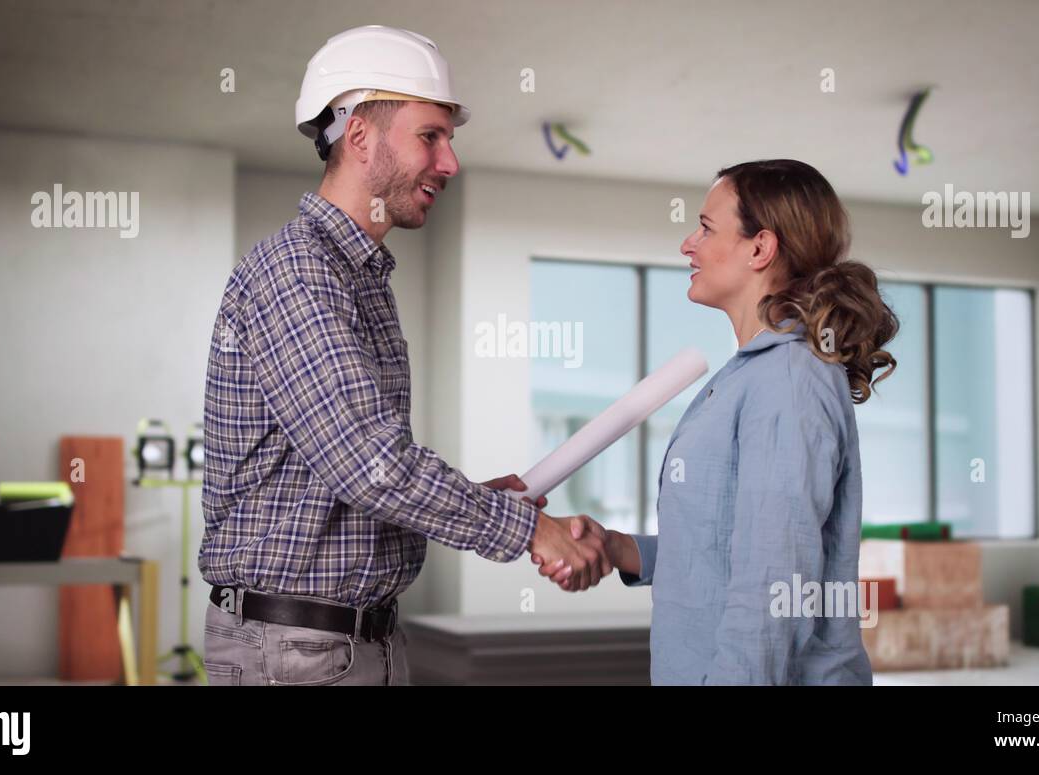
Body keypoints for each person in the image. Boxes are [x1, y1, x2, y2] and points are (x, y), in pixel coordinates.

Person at [199, 25, 609, 687]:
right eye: (430, 136)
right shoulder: (299, 271)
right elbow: (370, 465)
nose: (449, 163)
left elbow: (348, 472)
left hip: (359, 639)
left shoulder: (360, 278)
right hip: (295, 653)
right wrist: (531, 532)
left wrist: (471, 498)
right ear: (360, 135)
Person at [536, 159, 898, 685]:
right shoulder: (751, 373)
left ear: (760, 248)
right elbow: (722, 549)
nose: (688, 244)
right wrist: (618, 547)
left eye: (706, 228)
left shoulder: (789, 378)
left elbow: (774, 581)